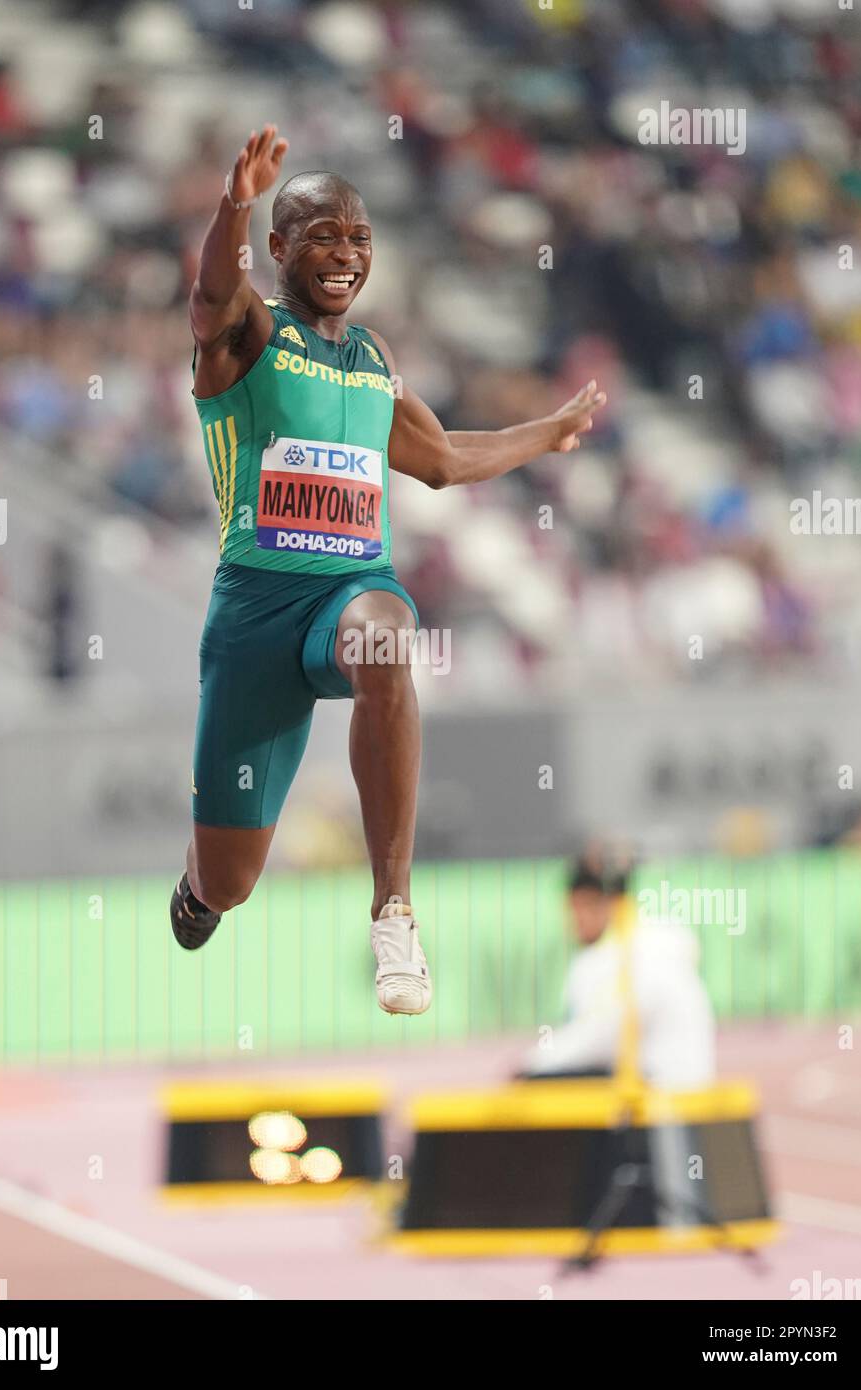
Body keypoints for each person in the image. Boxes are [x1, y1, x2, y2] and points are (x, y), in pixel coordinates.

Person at [169, 125, 606, 1017]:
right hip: (256, 612)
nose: (345, 253)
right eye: (323, 235)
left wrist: (546, 433)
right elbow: (215, 290)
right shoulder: (249, 338)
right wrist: (236, 200)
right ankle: (200, 886)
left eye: (360, 238)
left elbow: (442, 460)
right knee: (231, 881)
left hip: (347, 592)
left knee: (388, 637)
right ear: (282, 248)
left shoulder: (373, 362)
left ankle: (394, 912)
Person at [518, 855, 715, 1086]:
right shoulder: (651, 943)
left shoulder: (623, 955)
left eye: (581, 908)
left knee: (539, 1084)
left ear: (607, 904)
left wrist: (534, 1061)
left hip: (662, 1098)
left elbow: (598, 1036)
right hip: (673, 1087)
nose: (575, 921)